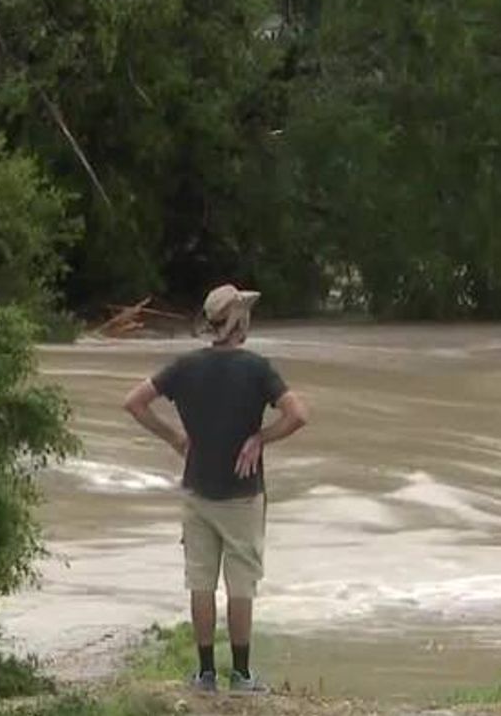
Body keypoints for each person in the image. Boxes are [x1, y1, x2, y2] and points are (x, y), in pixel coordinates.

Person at [123, 284, 310, 694]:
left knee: (201, 583)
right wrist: (260, 438)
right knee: (241, 585)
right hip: (243, 494)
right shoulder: (258, 369)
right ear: (240, 322)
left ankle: (205, 673)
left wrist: (175, 438)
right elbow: (298, 415)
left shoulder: (185, 366)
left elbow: (134, 402)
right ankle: (241, 675)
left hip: (197, 491)